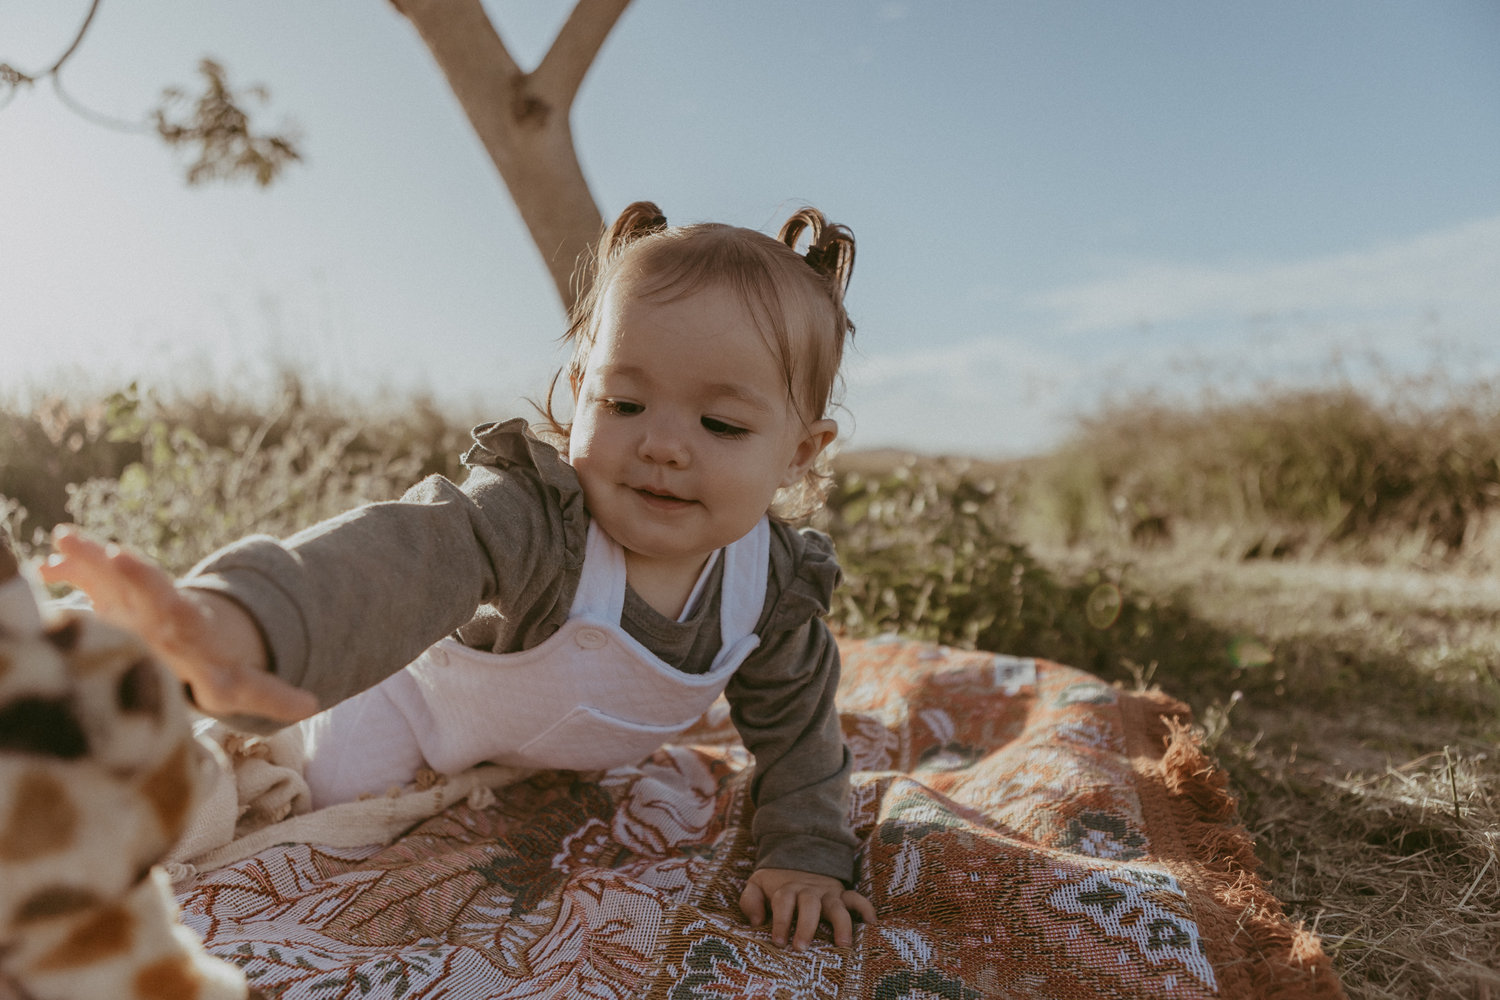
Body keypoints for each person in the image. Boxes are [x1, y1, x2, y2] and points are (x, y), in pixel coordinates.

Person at [42, 201, 878, 952]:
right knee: (311, 791)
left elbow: (801, 738)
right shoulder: (538, 521)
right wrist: (237, 623)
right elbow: (393, 561)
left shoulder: (768, 586)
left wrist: (808, 852)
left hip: (530, 757)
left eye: (721, 423)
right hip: (409, 712)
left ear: (799, 452)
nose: (664, 443)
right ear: (582, 392)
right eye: (625, 405)